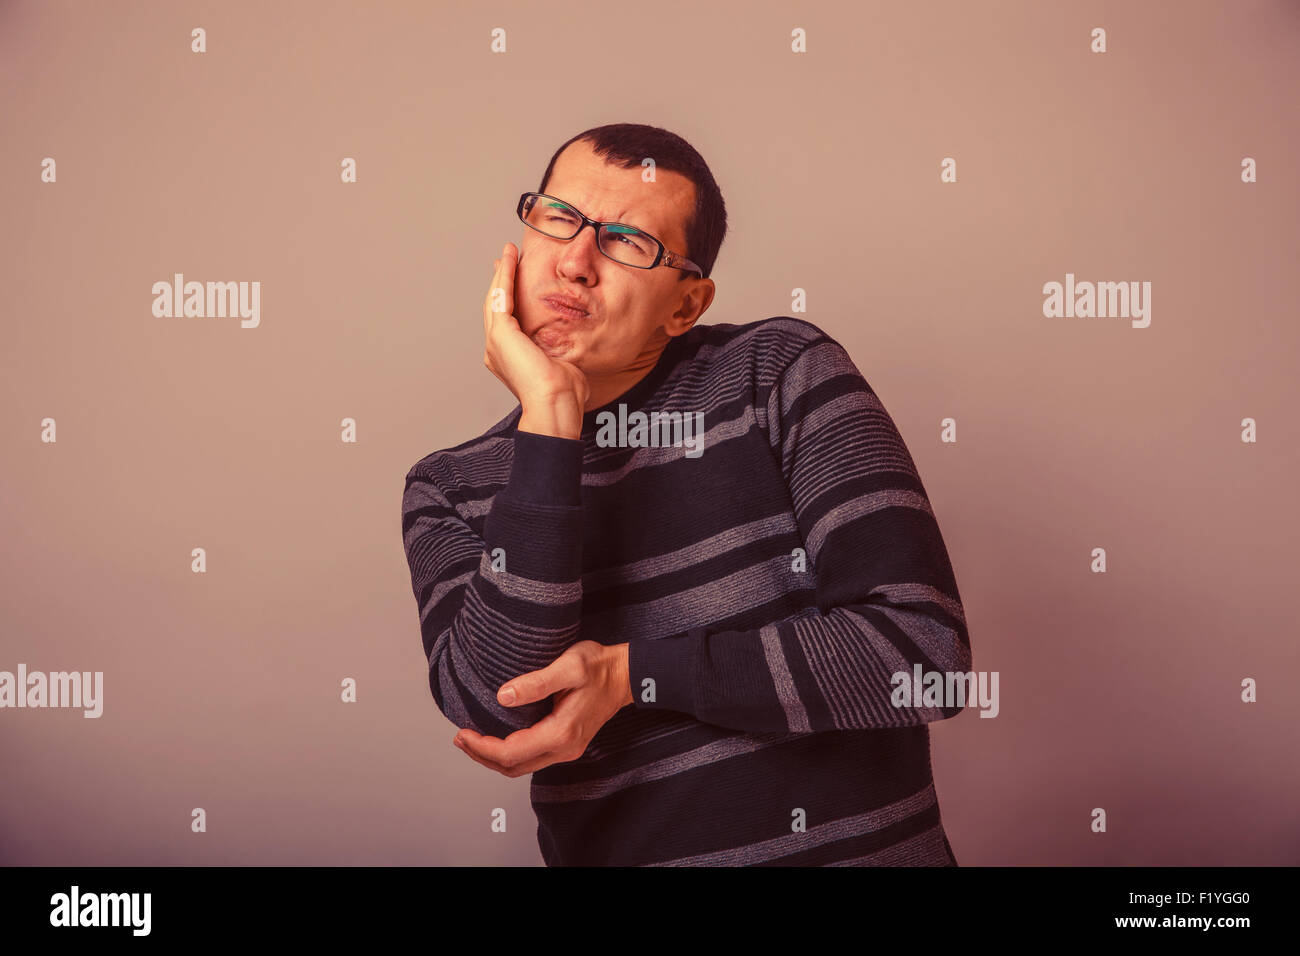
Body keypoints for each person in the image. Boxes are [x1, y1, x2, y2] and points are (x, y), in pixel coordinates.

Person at [401, 122, 972, 866]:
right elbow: (500, 709)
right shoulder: (449, 486)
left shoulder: (778, 373)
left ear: (685, 305)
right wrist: (549, 424)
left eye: (626, 242)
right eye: (558, 218)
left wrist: (631, 674)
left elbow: (924, 661)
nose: (575, 262)